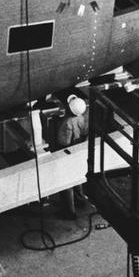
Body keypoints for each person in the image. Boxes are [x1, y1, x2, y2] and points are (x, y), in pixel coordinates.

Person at [52, 91, 90, 220]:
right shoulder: (81, 117)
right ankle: (81, 201)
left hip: (67, 154)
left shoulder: (67, 122)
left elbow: (63, 142)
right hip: (79, 152)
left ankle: (69, 212)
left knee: (67, 183)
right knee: (77, 177)